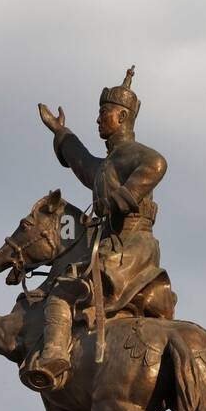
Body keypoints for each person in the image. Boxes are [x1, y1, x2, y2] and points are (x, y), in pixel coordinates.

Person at [24, 67, 168, 392]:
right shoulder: (108, 164)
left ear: (122, 117)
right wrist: (60, 132)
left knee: (63, 289)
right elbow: (82, 162)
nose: (98, 119)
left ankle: (55, 356)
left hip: (130, 246)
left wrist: (122, 198)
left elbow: (158, 163)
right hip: (116, 243)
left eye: (104, 113)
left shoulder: (132, 153)